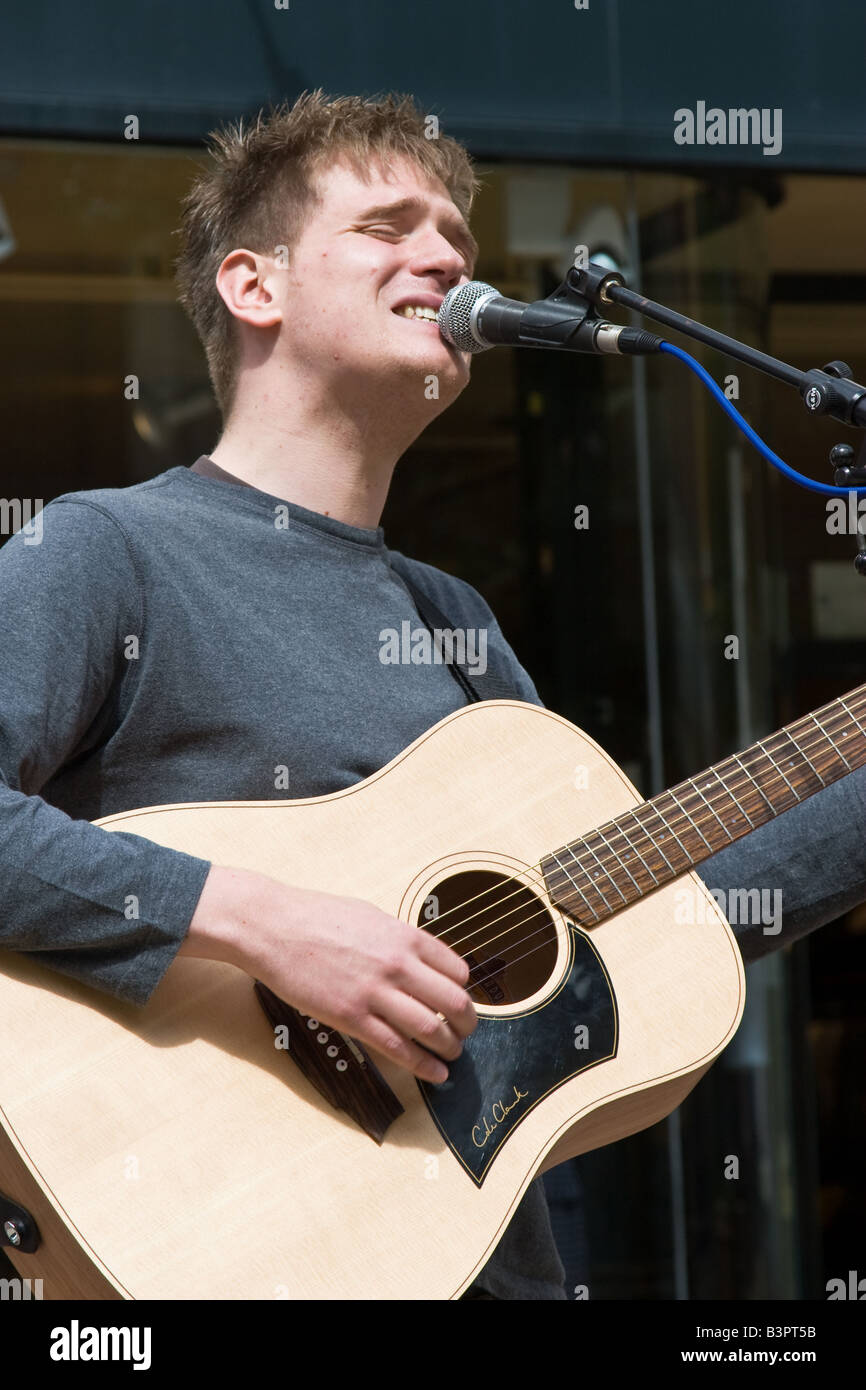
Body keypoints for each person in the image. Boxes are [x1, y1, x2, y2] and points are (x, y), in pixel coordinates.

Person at [1, 89, 864, 1301]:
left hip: (473, 1260)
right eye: (387, 225)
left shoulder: (453, 623)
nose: (447, 255)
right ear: (255, 287)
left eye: (455, 236)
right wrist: (268, 924)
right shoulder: (105, 551)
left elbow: (638, 940)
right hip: (222, 1237)